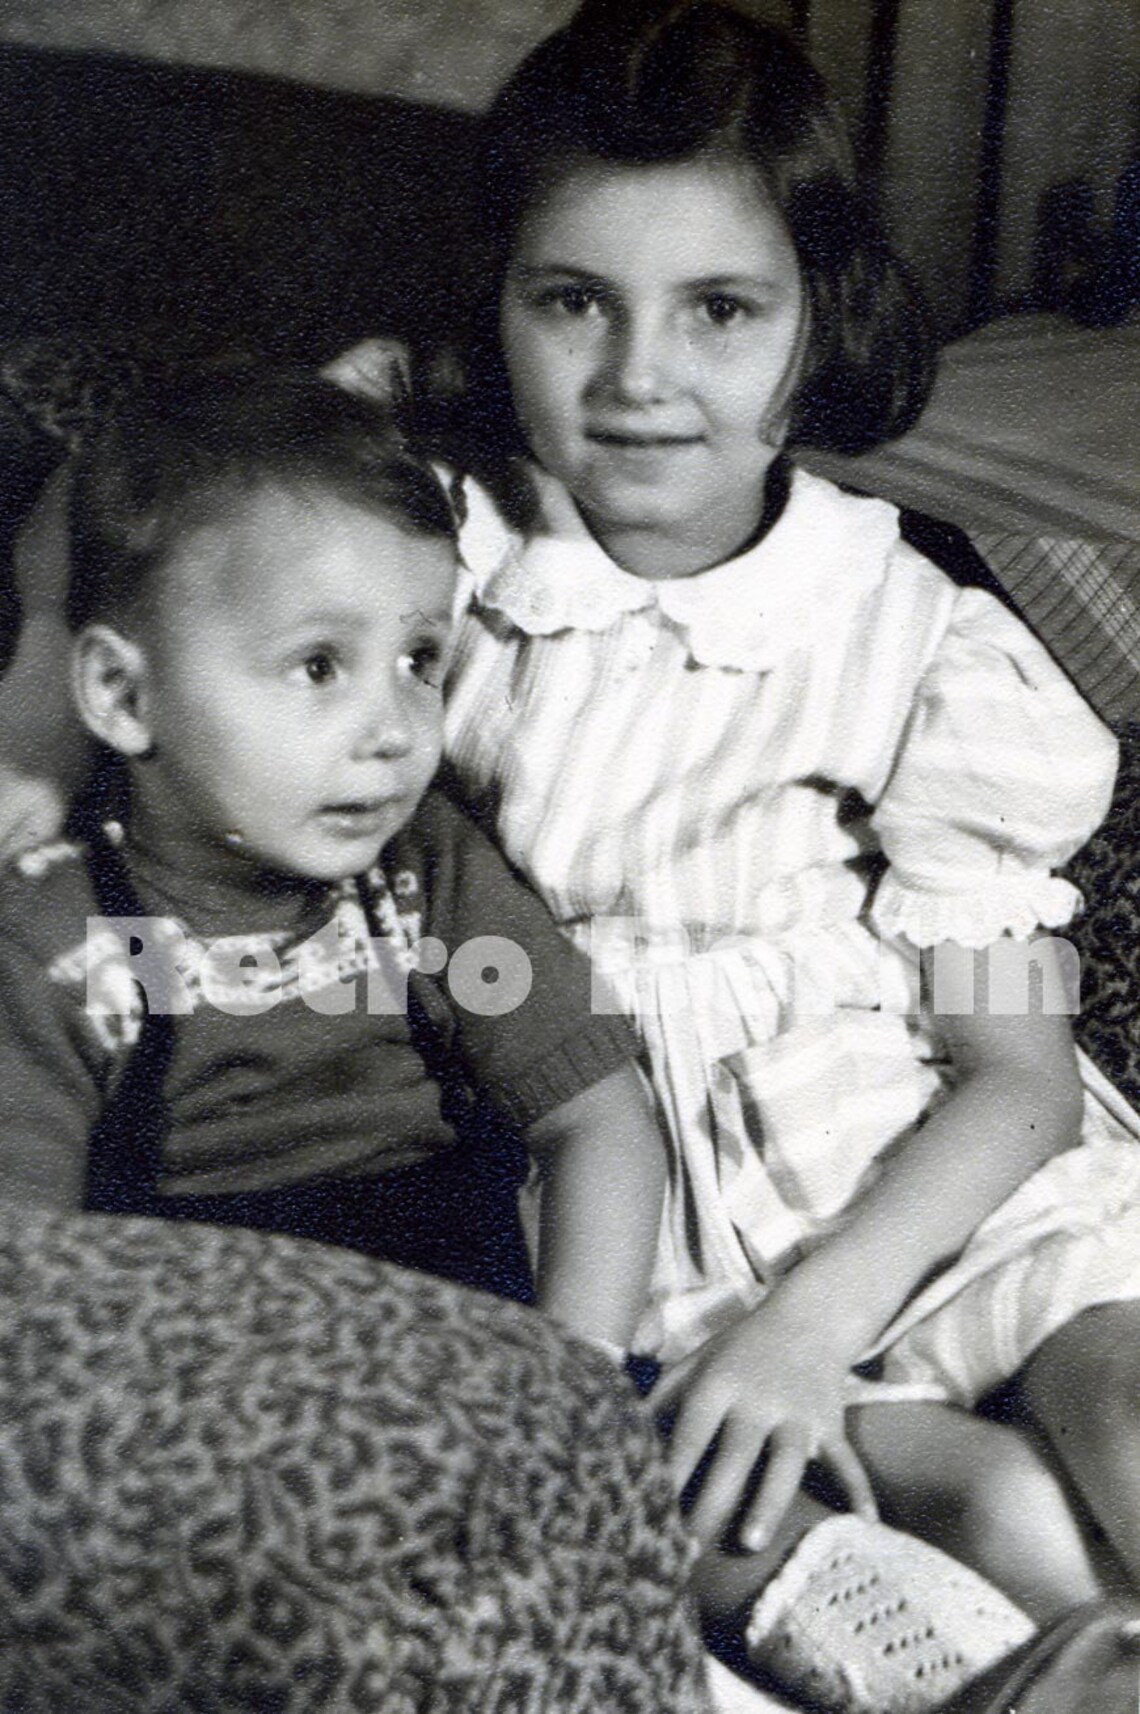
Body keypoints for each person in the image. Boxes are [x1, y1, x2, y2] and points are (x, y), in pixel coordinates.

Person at [410, 0, 1140, 1701]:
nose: (640, 377)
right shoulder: (439, 546)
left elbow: (1018, 1076)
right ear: (496, 306)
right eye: (572, 301)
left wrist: (819, 1313)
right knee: (988, 1521)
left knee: (1119, 1395)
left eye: (721, 309)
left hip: (934, 1169)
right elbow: (159, 489)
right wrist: (32, 709)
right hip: (636, 1200)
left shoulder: (920, 636)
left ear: (820, 323)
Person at [0, 367, 667, 1365]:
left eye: (420, 661)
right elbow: (25, 1273)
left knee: (739, 1498)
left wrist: (578, 1382)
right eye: (319, 666)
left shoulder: (428, 883)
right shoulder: (63, 938)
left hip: (469, 1354)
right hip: (206, 1384)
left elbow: (599, 1120)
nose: (396, 730)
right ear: (121, 695)